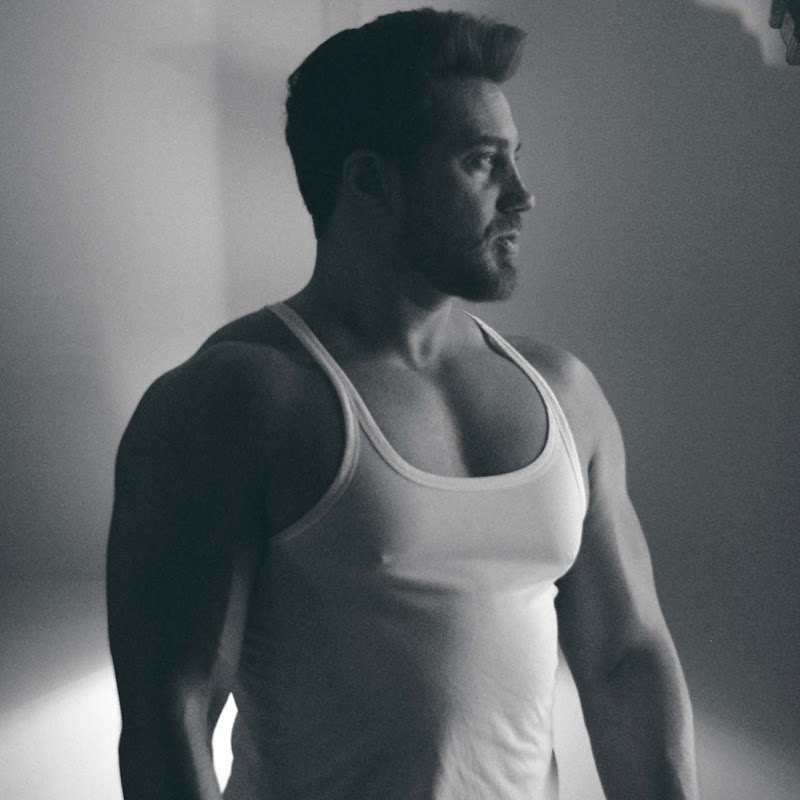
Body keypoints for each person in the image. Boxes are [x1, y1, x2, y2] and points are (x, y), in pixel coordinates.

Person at [107, 9, 699, 800]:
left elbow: (626, 659)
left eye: (515, 159)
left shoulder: (564, 393)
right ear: (369, 180)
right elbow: (169, 718)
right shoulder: (241, 398)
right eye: (481, 162)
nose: (522, 196)